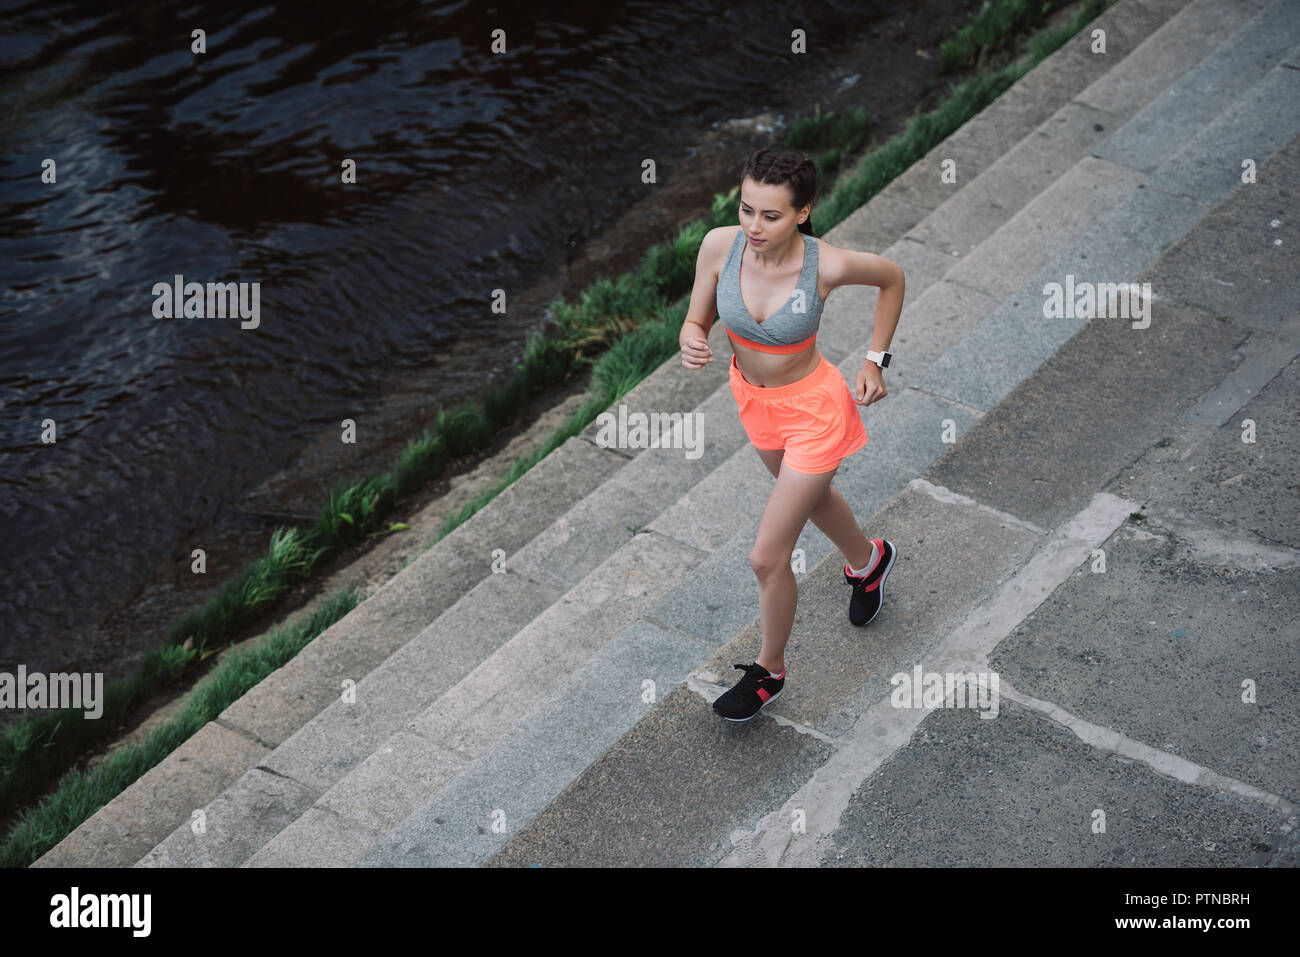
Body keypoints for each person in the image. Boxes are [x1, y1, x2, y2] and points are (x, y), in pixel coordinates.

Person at [678, 146, 905, 722]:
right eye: (747, 209)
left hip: (815, 412)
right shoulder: (718, 245)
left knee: (766, 557)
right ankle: (868, 560)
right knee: (811, 497)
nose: (754, 226)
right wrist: (691, 335)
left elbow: (892, 278)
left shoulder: (823, 264)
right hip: (755, 403)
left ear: (802, 213)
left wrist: (876, 360)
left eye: (771, 215)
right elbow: (697, 315)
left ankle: (769, 671)